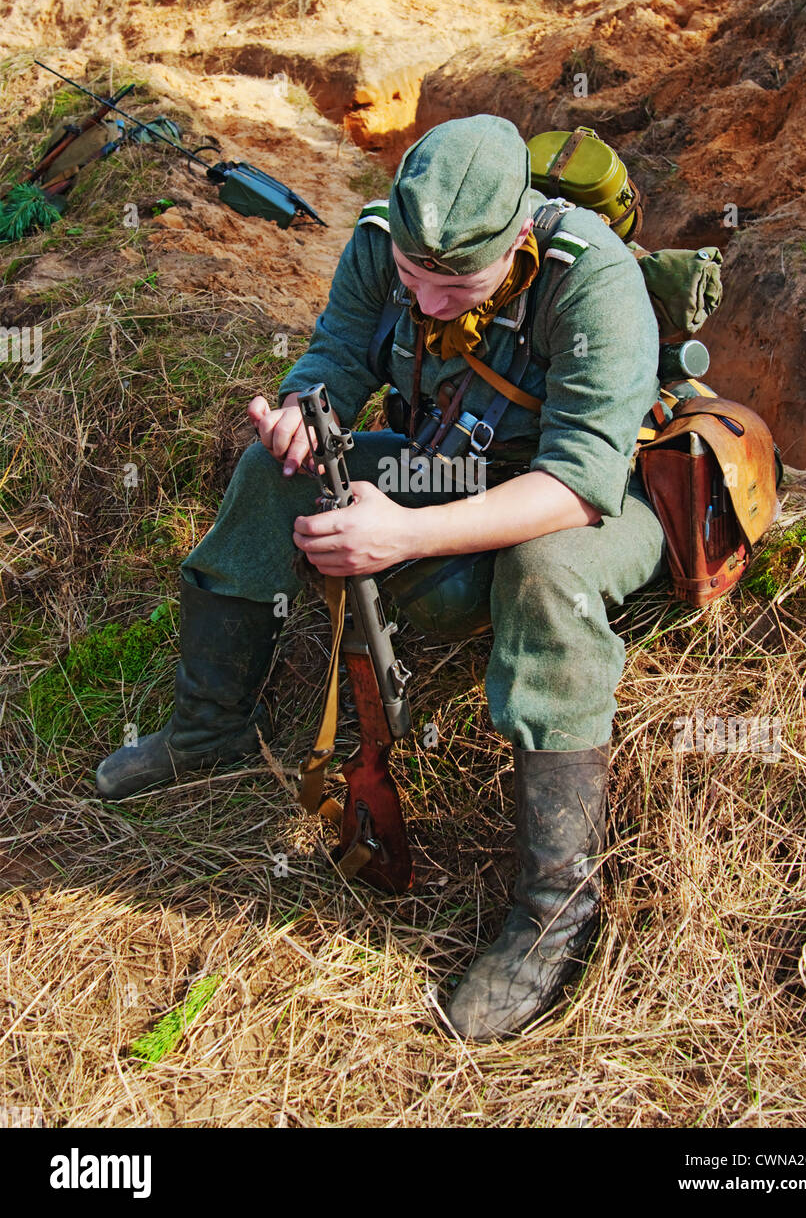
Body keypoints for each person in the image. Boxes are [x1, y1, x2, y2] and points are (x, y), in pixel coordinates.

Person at [95, 114, 668, 1040]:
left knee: (544, 570)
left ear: (517, 237)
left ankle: (553, 912)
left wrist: (403, 533)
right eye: (414, 282)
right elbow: (335, 354)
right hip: (448, 461)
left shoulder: (592, 280)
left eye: (457, 288)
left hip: (583, 500)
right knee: (266, 476)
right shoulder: (377, 243)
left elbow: (578, 485)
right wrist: (295, 414)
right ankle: (207, 731)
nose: (431, 304)